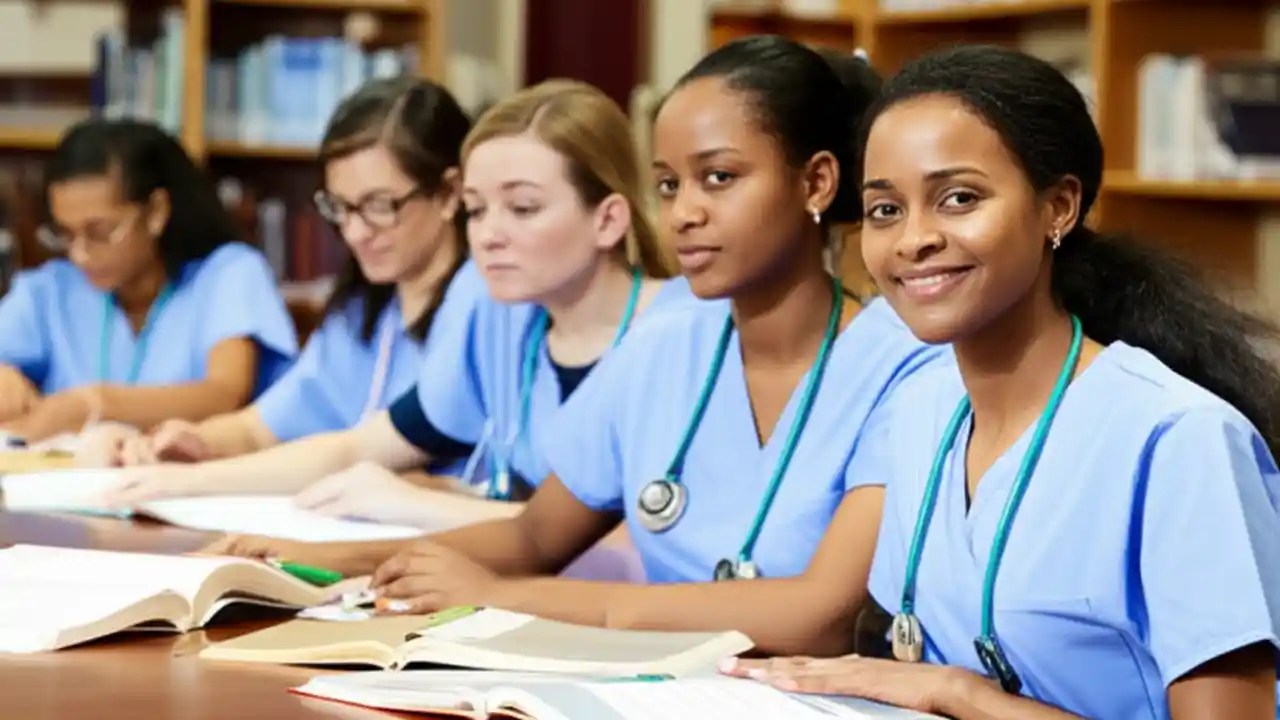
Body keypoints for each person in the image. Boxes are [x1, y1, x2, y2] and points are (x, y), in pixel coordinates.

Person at [212, 35, 944, 658]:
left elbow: (819, 614)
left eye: (718, 179)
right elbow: (535, 536)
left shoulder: (904, 363)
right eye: (668, 183)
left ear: (815, 180)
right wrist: (323, 562)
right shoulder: (665, 348)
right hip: (653, 680)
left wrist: (511, 599)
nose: (685, 213)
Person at [724, 45, 1280, 718]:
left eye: (958, 199)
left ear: (1060, 208)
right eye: (885, 210)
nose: (913, 239)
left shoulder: (1179, 439)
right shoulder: (920, 410)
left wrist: (961, 695)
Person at [103, 79, 687, 531]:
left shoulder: (683, 333)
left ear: (608, 219)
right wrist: (180, 482)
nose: (488, 235)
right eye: (480, 211)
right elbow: (361, 446)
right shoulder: (499, 313)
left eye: (524, 208)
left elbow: (632, 542)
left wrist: (420, 503)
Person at [99, 78, 473, 472]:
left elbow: (364, 457)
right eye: (339, 206)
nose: (355, 231)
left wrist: (195, 481)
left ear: (450, 193)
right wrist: (184, 441)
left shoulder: (479, 307)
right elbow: (259, 429)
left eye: (380, 205)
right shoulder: (360, 313)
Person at [0, 118, 297, 444]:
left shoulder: (229, 273)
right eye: (65, 234)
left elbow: (226, 393)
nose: (80, 254)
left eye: (100, 232)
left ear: (156, 211)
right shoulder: (49, 290)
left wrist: (94, 405)